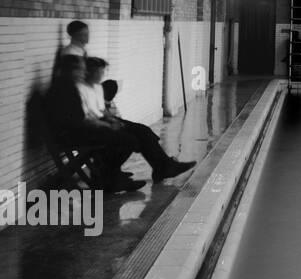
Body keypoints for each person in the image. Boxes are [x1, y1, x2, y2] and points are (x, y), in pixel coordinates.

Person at [50, 56, 194, 188]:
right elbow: (79, 121)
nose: (83, 72)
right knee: (129, 139)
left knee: (142, 130)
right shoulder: (65, 89)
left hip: (88, 127)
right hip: (75, 134)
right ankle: (111, 178)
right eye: (79, 69)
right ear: (67, 70)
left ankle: (162, 167)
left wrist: (110, 120)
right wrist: (106, 124)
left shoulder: (73, 86)